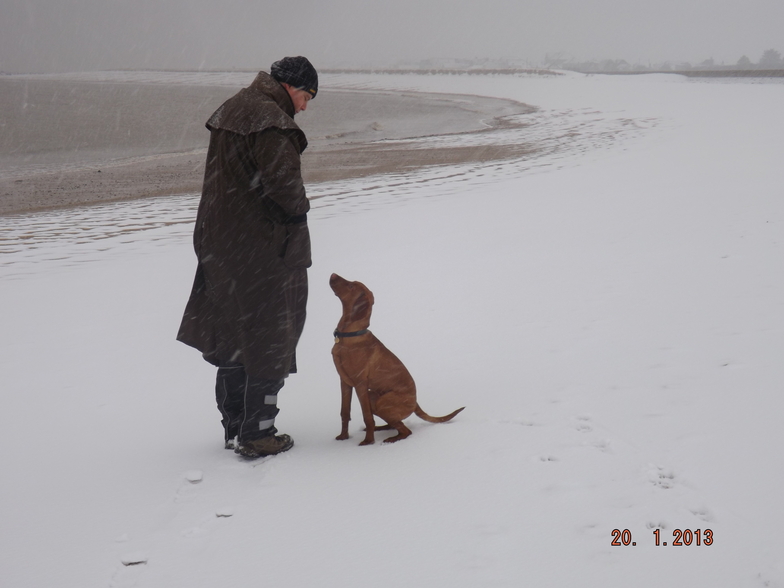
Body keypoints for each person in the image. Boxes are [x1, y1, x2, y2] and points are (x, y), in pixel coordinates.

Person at [177, 56, 318, 459]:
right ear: (293, 87)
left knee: (235, 337)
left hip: (222, 242)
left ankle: (235, 426)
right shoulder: (271, 120)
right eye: (307, 96)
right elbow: (285, 190)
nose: (306, 106)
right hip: (262, 247)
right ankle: (258, 433)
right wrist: (300, 211)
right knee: (271, 335)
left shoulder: (235, 108)